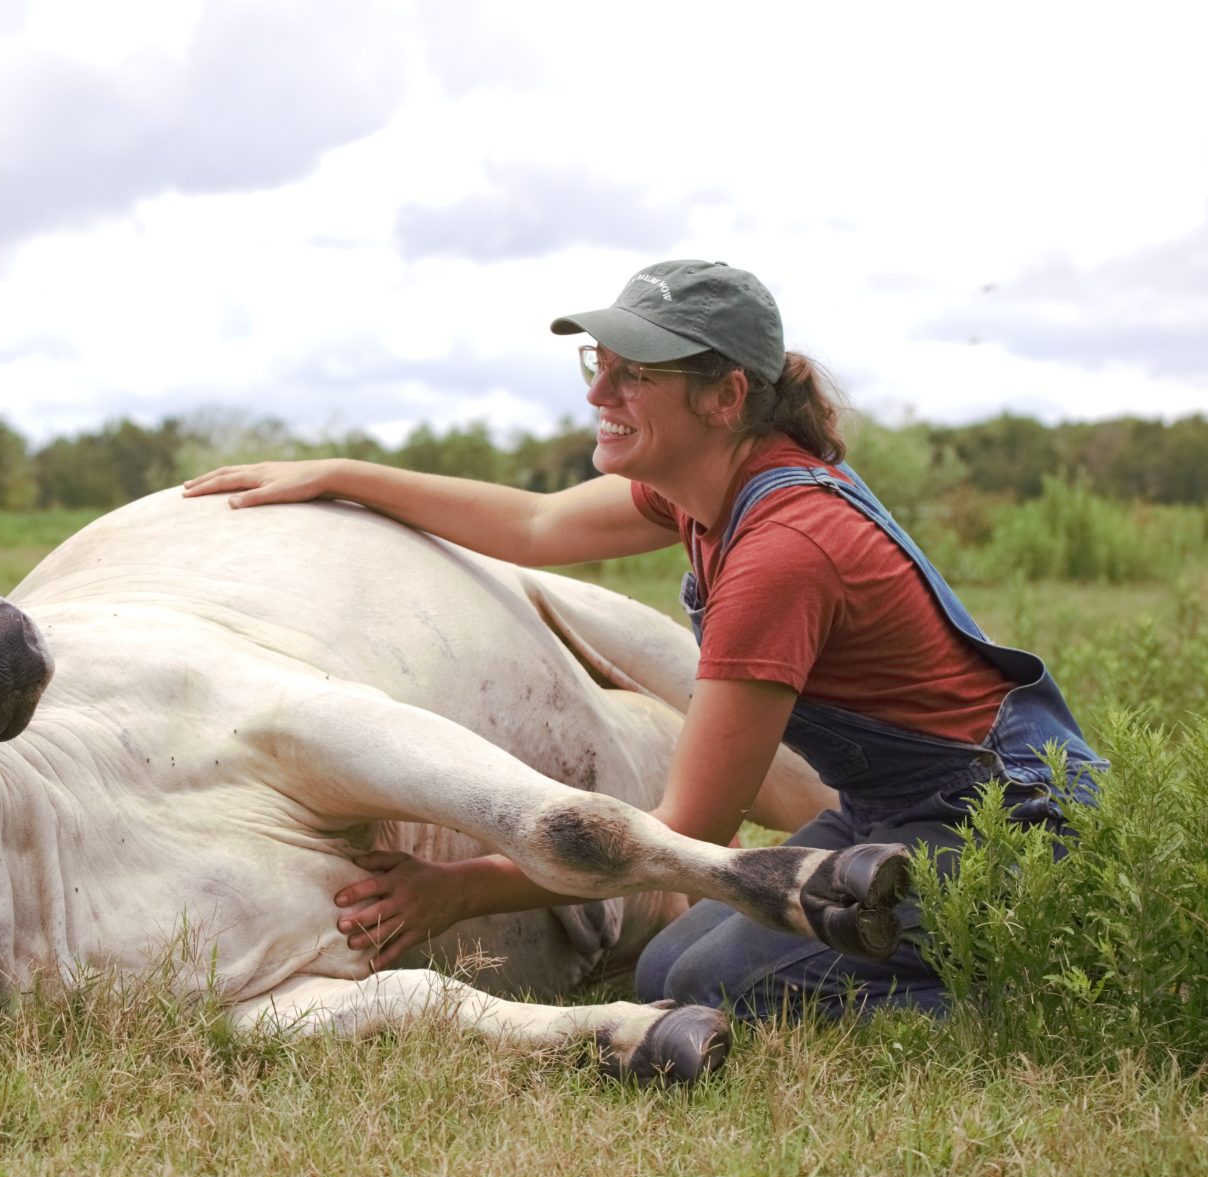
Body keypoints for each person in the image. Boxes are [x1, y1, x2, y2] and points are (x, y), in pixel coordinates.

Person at [179, 259, 1105, 1019]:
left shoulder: (783, 550)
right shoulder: (706, 490)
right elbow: (536, 525)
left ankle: (1042, 982)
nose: (600, 392)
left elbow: (685, 830)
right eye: (599, 363)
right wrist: (342, 474)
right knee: (670, 962)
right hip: (884, 815)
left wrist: (460, 889)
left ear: (724, 396)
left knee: (711, 984)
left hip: (1002, 821)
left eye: (636, 374)